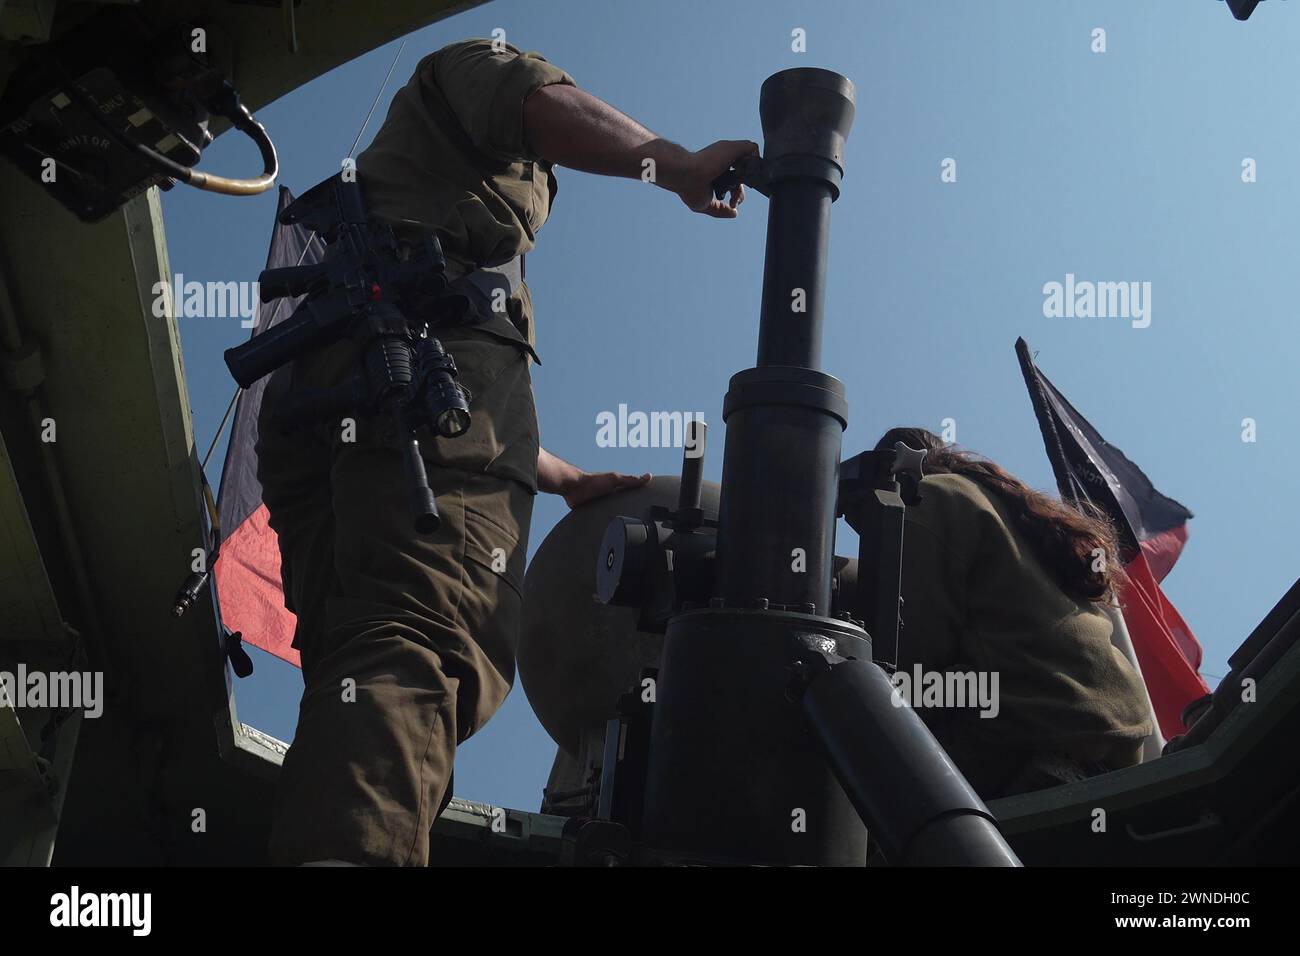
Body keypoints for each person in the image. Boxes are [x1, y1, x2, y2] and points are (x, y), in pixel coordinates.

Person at [255, 37, 757, 866]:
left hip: (334, 388)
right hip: (398, 357)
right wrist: (675, 165)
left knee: (355, 654)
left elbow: (438, 407)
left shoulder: (416, 180)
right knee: (428, 629)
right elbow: (536, 106)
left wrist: (556, 476)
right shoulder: (474, 70)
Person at [877, 427, 1154, 799]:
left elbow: (916, 657)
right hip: (1120, 732)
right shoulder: (1019, 512)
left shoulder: (933, 497)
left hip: (1029, 729)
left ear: (895, 467)